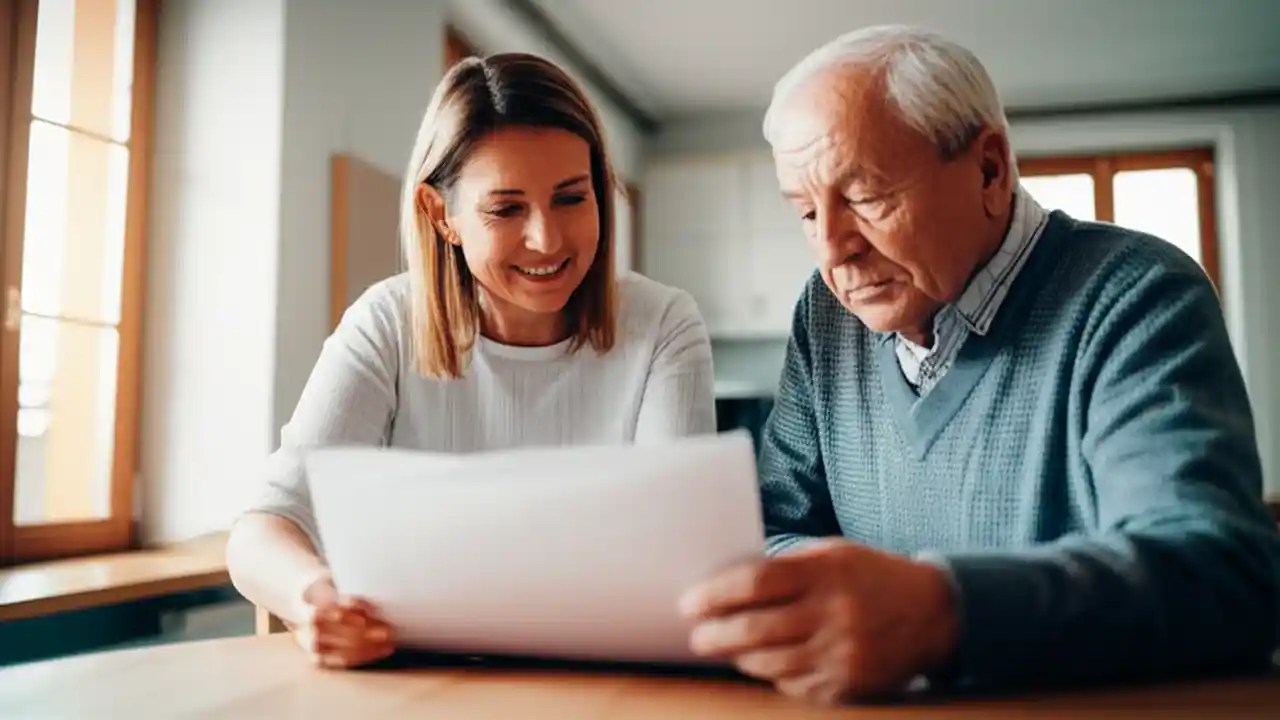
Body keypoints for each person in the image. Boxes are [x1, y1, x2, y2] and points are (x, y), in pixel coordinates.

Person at [680, 25, 1280, 704]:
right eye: (806, 211)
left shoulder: (1135, 293)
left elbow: (1223, 575)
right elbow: (767, 532)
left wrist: (938, 612)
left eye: (866, 197)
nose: (832, 249)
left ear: (990, 170)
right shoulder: (825, 316)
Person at [227, 53, 716, 670]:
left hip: (600, 678)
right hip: (416, 680)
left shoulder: (664, 324)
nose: (547, 239)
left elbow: (674, 546)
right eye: (506, 209)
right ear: (442, 216)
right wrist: (314, 599)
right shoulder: (387, 323)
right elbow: (265, 527)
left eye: (571, 198)